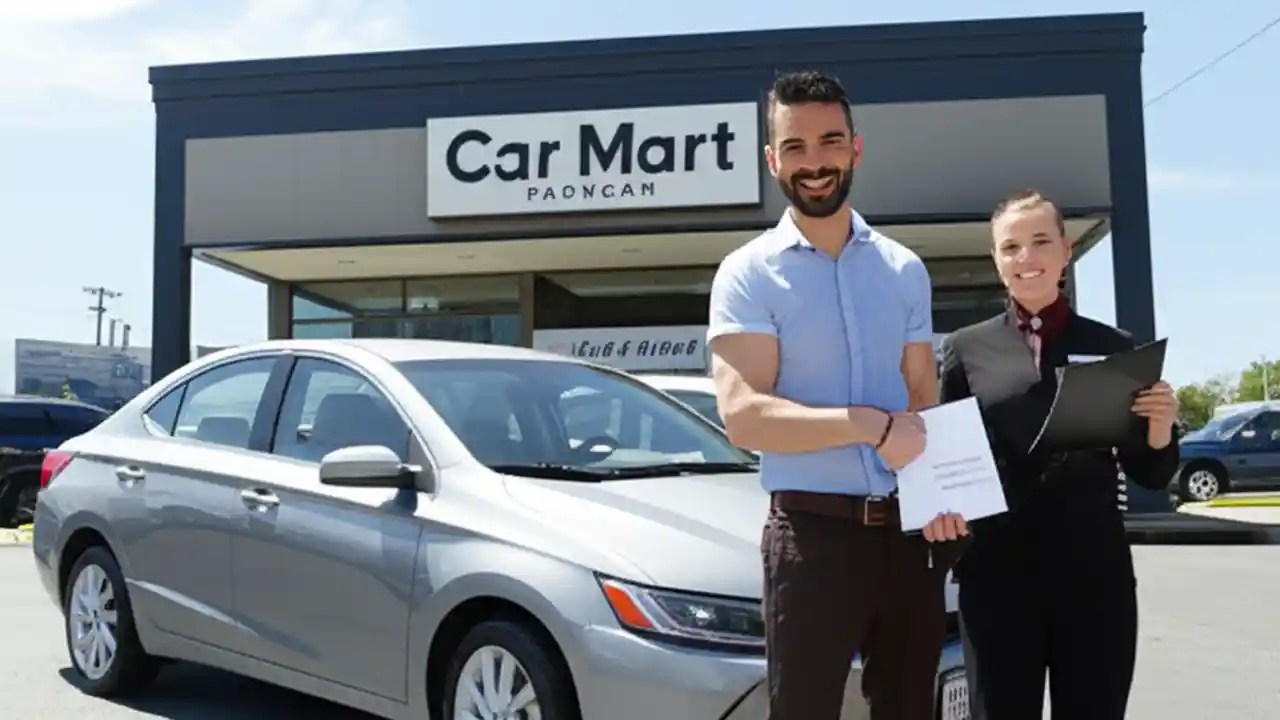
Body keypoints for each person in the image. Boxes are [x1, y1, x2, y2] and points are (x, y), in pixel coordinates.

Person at [707, 69, 970, 720]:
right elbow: (744, 415)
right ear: (772, 160)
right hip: (810, 536)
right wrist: (868, 426)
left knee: (911, 708)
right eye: (795, 148)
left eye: (829, 142)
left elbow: (919, 392)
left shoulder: (904, 270)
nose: (814, 163)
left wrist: (941, 494)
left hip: (908, 537)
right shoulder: (747, 274)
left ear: (856, 147)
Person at [939, 188, 1180, 720]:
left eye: (1041, 242)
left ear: (1066, 251)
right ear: (997, 261)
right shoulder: (965, 350)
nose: (1027, 259)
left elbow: (1149, 472)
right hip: (997, 581)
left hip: (1094, 580)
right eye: (1011, 247)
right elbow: (944, 460)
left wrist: (1160, 428)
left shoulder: (1116, 347)